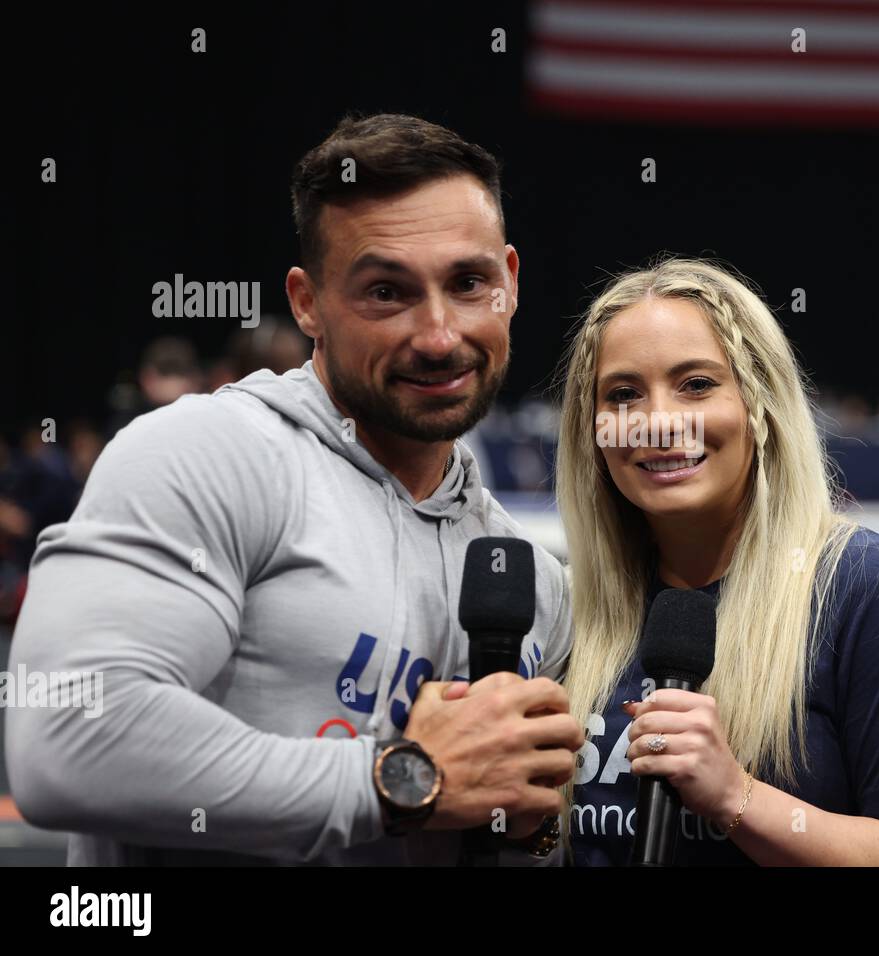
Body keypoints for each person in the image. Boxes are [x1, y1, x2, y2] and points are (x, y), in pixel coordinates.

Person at [5, 113, 583, 865]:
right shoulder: (208, 454)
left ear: (510, 282)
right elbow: (67, 744)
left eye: (468, 283)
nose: (439, 335)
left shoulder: (531, 579)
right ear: (307, 302)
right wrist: (401, 780)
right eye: (386, 291)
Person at [555, 258, 879, 865]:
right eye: (624, 394)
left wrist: (738, 796)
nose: (657, 421)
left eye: (697, 384)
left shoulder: (876, 593)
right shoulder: (563, 609)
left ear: (759, 403)